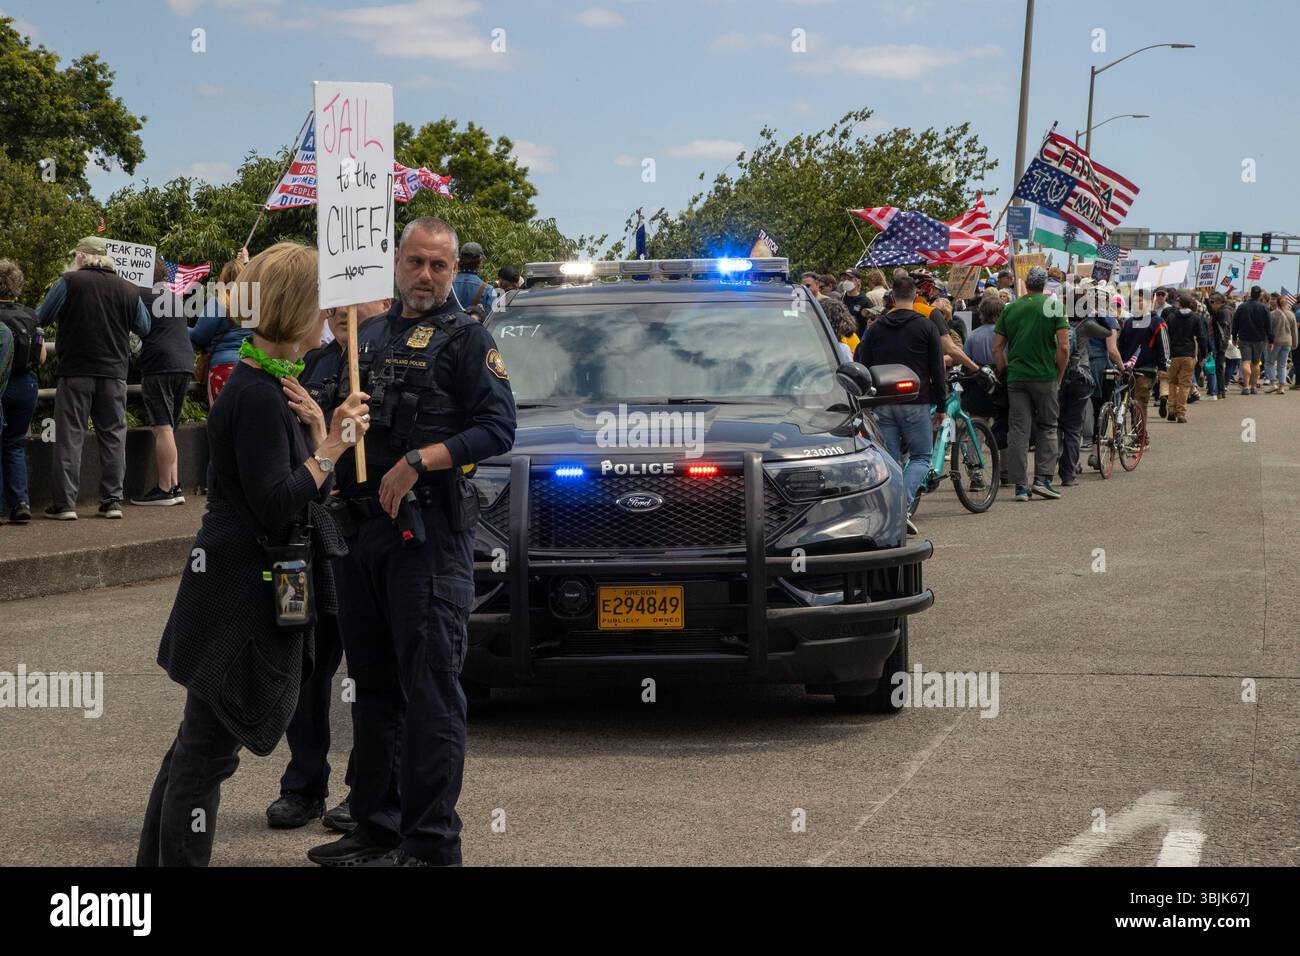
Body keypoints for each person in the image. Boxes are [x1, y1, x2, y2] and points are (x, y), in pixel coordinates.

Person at [137, 242, 371, 867]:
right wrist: (331, 446)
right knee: (206, 753)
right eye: (321, 303)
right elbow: (276, 502)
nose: (328, 317)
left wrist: (317, 425)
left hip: (231, 578)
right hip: (241, 585)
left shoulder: (267, 382)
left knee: (197, 745)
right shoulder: (261, 393)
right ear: (297, 308)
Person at [307, 217, 516, 868]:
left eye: (440, 266)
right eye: (416, 262)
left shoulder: (467, 339)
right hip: (361, 535)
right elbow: (322, 408)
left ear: (455, 271)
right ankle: (376, 825)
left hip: (427, 540)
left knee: (429, 693)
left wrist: (421, 460)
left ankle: (430, 845)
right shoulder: (363, 334)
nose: (426, 276)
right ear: (396, 263)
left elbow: (498, 429)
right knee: (372, 687)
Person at [264, 296, 389, 833]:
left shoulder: (395, 362)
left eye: (356, 298)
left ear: (384, 300)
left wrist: (325, 436)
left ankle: (366, 789)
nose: (343, 310)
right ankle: (303, 784)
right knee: (306, 667)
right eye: (334, 299)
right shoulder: (308, 365)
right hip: (303, 541)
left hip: (361, 537)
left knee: (369, 670)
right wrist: (318, 434)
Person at [36, 236, 152, 520]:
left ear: (80, 257)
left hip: (75, 371)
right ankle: (112, 501)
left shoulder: (69, 282)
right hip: (114, 374)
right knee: (114, 436)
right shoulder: (128, 288)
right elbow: (145, 327)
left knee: (70, 437)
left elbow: (41, 316)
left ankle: (65, 504)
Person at [853, 274, 946, 523]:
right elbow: (937, 369)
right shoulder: (927, 326)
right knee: (921, 457)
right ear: (915, 296)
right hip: (917, 400)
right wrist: (942, 404)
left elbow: (863, 365)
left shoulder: (876, 328)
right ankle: (899, 508)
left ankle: (889, 510)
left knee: (890, 461)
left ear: (892, 297)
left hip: (883, 401)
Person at [992, 266, 1068, 502]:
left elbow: (997, 347)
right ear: (1044, 284)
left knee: (1018, 430)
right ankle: (1043, 479)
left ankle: (1020, 485)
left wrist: (1004, 370)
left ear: (1025, 284)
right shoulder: (1054, 306)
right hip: (1045, 375)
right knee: (1047, 426)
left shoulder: (1010, 308)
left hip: (1017, 376)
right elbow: (1064, 346)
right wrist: (1059, 374)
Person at [131, 260, 196, 506]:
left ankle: (164, 488)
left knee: (162, 427)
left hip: (159, 365)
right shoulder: (171, 297)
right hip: (184, 364)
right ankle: (175, 485)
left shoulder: (140, 294)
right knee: (169, 427)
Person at [0, 260, 45, 525]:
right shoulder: (30, 315)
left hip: (3, 386)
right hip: (26, 385)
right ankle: (21, 503)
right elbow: (40, 357)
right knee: (15, 443)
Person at [1058, 283, 1114, 485]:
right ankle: (1070, 471)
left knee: (1057, 424)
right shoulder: (1087, 326)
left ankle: (1057, 462)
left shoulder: (1059, 321)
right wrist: (1100, 314)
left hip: (1059, 375)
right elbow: (1108, 333)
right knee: (1074, 426)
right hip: (1080, 374)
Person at [190, 254, 250, 405]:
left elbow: (199, 336)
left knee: (222, 422)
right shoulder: (255, 305)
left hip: (224, 368)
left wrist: (177, 327)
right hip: (251, 368)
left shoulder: (218, 303)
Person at [1117, 294, 1169, 443]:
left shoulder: (1157, 322)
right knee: (1130, 403)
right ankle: (1140, 433)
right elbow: (1121, 345)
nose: (1137, 303)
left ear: (1148, 302)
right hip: (1128, 370)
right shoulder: (1128, 323)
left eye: (1140, 300)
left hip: (1146, 370)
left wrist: (1164, 366)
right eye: (1134, 301)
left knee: (1140, 402)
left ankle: (1139, 436)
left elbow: (1164, 346)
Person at [1164, 290, 1209, 423]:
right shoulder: (1196, 318)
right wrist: (1203, 355)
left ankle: (1171, 409)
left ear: (1179, 303)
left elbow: (1166, 335)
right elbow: (1202, 337)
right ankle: (1181, 412)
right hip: (1188, 354)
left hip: (1173, 354)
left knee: (1172, 382)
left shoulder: (1171, 316)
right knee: (1185, 384)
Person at [1231, 286, 1272, 395]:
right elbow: (1269, 325)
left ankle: (1246, 387)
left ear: (1250, 294)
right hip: (1259, 339)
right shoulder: (1264, 308)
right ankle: (1254, 386)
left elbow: (1235, 323)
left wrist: (1234, 337)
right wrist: (1271, 340)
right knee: (1256, 363)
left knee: (1246, 362)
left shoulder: (1242, 307)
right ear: (1259, 295)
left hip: (1244, 338)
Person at [450, 240, 497, 315]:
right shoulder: (488, 290)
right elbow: (493, 319)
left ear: (459, 260)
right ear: (480, 262)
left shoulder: (448, 285)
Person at [1267, 293, 1295, 394]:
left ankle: (1273, 383)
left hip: (1275, 341)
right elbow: (1294, 331)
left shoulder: (1273, 314)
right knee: (1282, 365)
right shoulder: (1291, 314)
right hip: (1288, 341)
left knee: (1270, 362)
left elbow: (1269, 330)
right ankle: (1281, 387)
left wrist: (1268, 341)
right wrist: (1295, 344)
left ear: (1277, 303)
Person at [1208, 292, 1233, 400]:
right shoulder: (1223, 310)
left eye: (1212, 301)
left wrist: (1222, 345)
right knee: (1219, 367)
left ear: (1219, 302)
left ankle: (1221, 391)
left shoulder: (1223, 312)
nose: (1211, 303)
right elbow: (1212, 312)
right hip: (1221, 341)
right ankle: (1220, 391)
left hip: (1221, 342)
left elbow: (1224, 330)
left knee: (1219, 367)